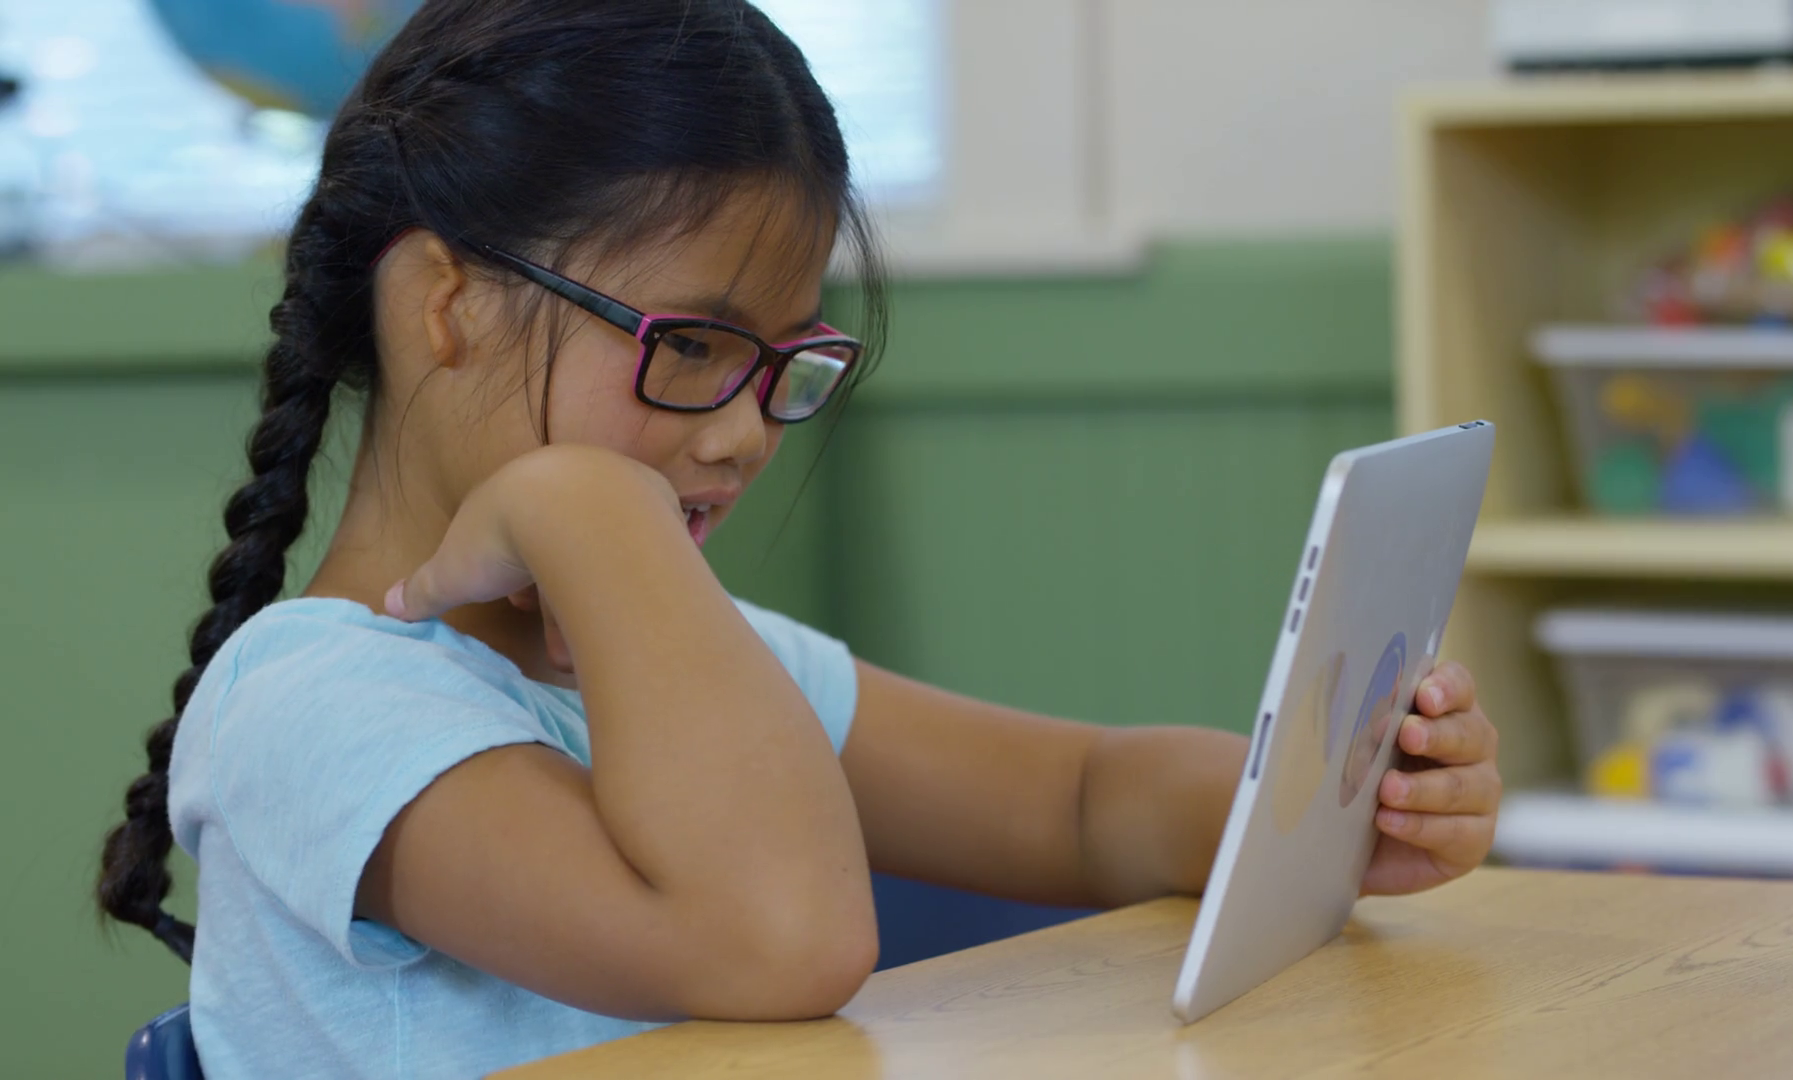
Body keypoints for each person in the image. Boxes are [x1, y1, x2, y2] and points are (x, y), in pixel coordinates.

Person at [95, 1, 1502, 1075]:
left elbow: (1079, 797)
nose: (745, 433)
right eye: (693, 345)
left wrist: (1334, 806)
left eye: (784, 366)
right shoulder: (313, 705)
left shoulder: (663, 665)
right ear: (443, 306)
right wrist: (591, 511)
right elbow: (778, 939)